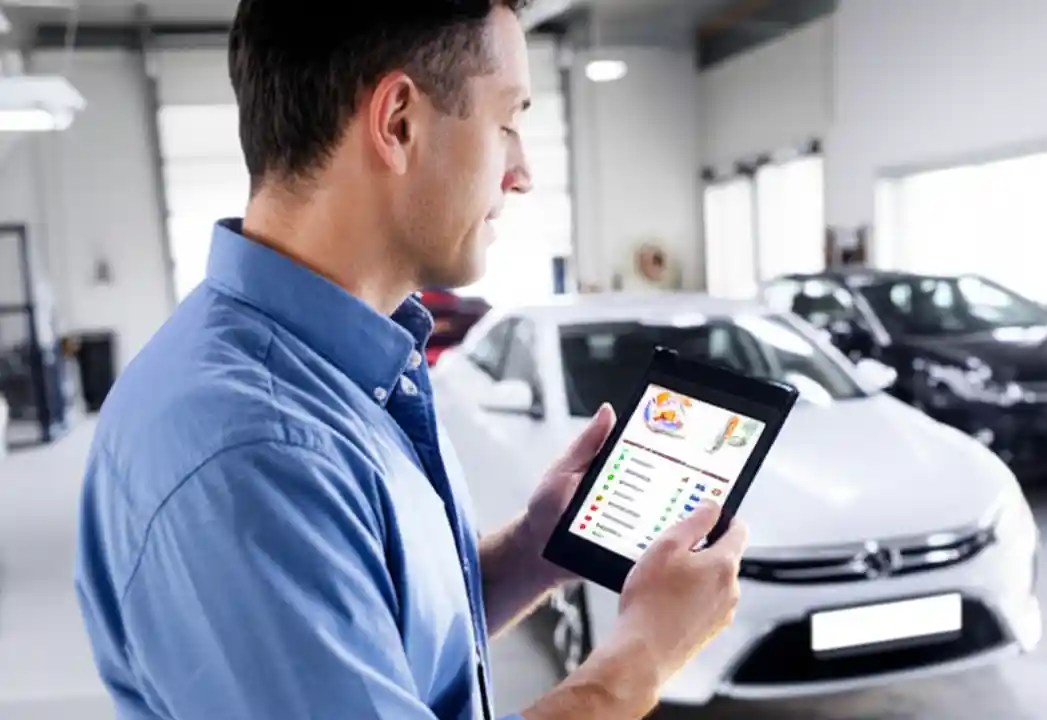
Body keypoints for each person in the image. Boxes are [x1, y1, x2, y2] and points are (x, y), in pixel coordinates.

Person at [73, 1, 748, 718]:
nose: (521, 174)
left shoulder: (333, 369)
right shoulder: (253, 453)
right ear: (398, 122)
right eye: (509, 122)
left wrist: (532, 552)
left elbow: (386, 645)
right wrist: (640, 658)